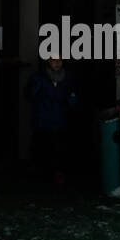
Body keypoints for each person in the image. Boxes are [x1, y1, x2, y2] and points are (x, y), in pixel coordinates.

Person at [25, 55, 77, 186]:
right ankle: (40, 174)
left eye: (60, 60)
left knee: (58, 148)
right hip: (42, 120)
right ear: (48, 61)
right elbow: (28, 95)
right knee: (41, 147)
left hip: (59, 119)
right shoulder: (39, 78)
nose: (57, 63)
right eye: (54, 60)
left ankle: (57, 174)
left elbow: (72, 95)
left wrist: (72, 102)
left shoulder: (67, 77)